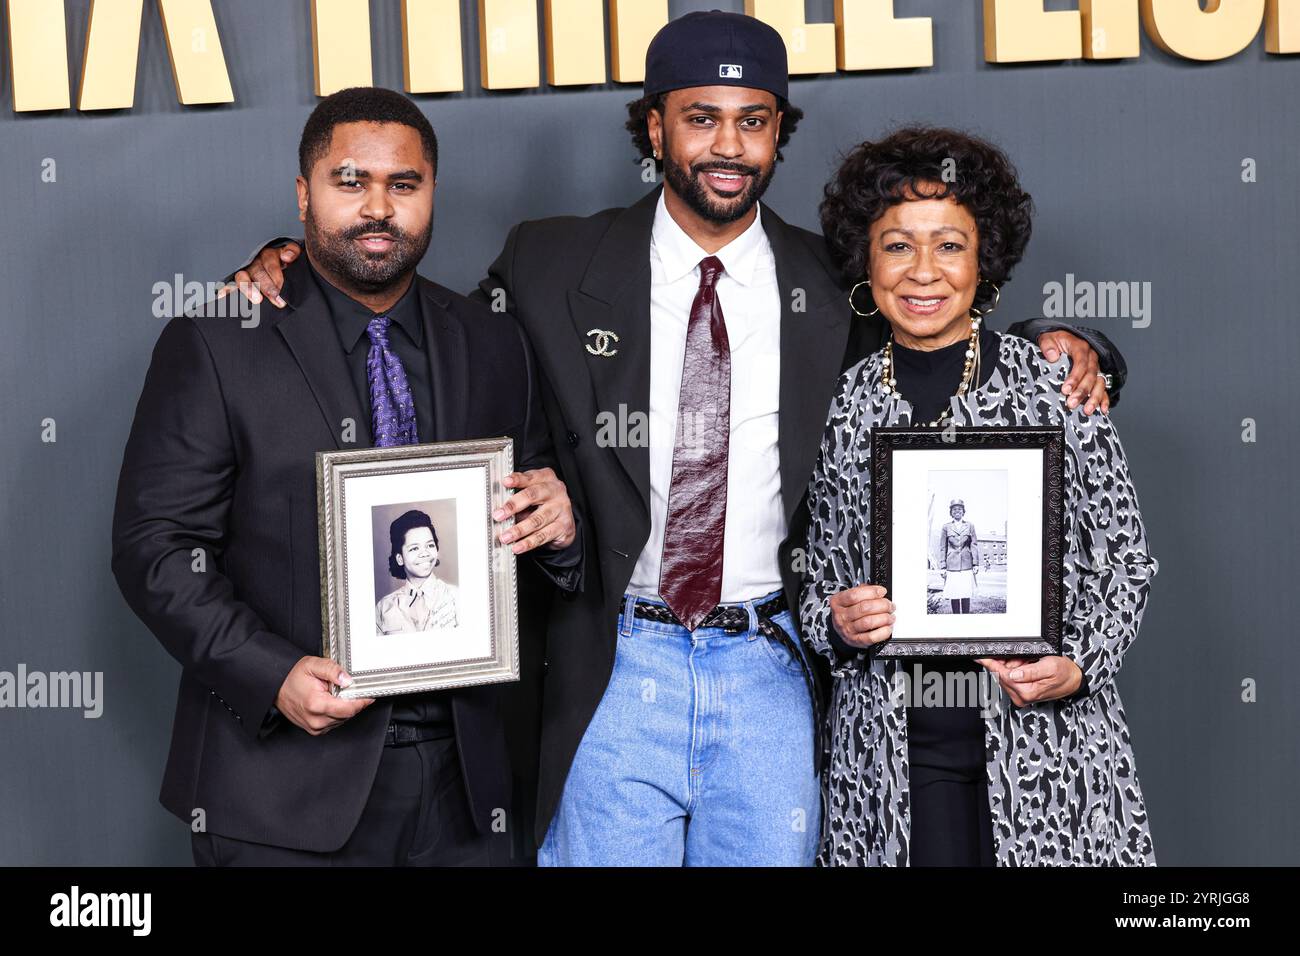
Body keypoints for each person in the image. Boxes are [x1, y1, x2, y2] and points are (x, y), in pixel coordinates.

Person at [225, 13, 1121, 866]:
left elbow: (936, 320)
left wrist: (1081, 348)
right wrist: (297, 261)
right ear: (655, 130)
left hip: (771, 663)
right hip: (615, 660)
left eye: (753, 122)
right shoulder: (550, 261)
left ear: (778, 135)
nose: (728, 146)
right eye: (701, 119)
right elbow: (424, 324)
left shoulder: (834, 276)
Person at [112, 87, 580, 866]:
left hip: (468, 788)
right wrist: (273, 675)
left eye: (404, 185)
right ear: (304, 195)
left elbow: (535, 512)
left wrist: (557, 527)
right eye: (349, 181)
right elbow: (154, 548)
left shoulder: (494, 342)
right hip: (282, 791)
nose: (377, 208)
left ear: (432, 192)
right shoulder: (220, 340)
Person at [800, 126, 1158, 866]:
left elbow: (1124, 562)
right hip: (890, 761)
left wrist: (1080, 662)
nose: (923, 272)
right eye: (898, 245)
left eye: (949, 246)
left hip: (1046, 747)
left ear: (983, 260)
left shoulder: (1056, 384)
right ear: (866, 261)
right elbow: (816, 579)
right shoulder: (838, 405)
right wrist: (839, 621)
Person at [376, 510, 459, 634]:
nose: (424, 553)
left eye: (430, 545)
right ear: (400, 558)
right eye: (414, 548)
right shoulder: (384, 607)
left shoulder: (457, 596)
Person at [938, 499, 979, 614]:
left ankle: (965, 618)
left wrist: (975, 564)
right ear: (951, 512)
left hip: (967, 565)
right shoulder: (946, 527)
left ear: (963, 511)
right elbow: (942, 547)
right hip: (952, 566)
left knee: (966, 594)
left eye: (960, 509)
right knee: (954, 594)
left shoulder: (970, 526)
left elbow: (974, 545)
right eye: (954, 509)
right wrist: (942, 566)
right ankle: (955, 618)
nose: (957, 511)